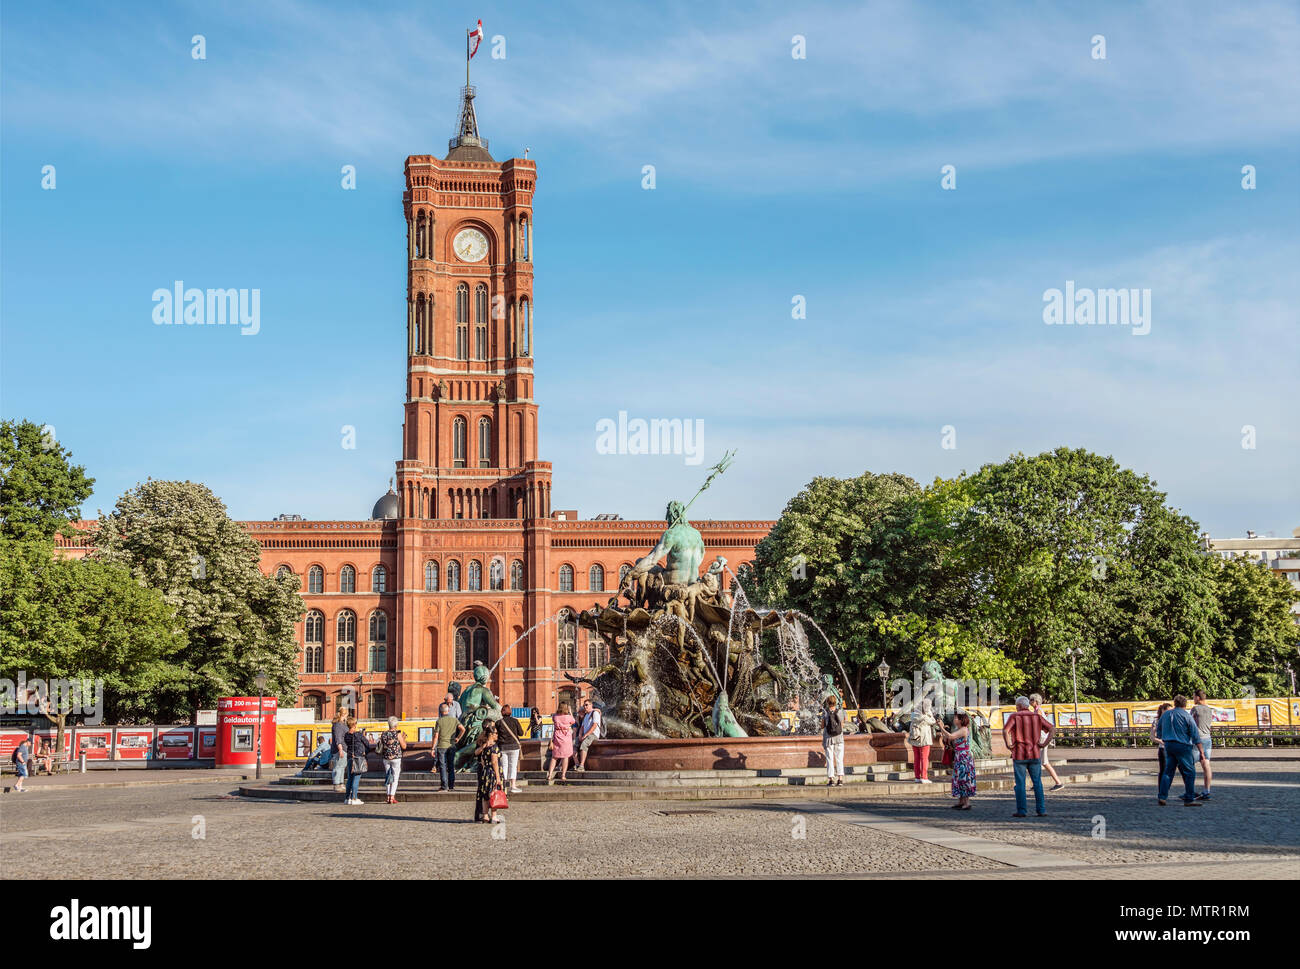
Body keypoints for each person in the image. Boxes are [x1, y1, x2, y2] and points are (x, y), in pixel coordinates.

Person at [1003, 695, 1054, 817]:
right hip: (1034, 753)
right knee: (1037, 783)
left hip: (1019, 754)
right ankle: (1041, 810)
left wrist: (1008, 745)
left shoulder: (1014, 716)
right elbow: (1052, 729)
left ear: (1020, 706)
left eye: (1016, 706)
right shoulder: (1037, 717)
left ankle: (1022, 810)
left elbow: (1005, 730)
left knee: (1020, 784)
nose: (1016, 708)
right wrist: (1044, 743)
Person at [1154, 696, 1205, 807]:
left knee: (1168, 772)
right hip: (1183, 746)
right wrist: (1201, 751)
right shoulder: (1186, 715)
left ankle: (1162, 797)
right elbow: (1195, 734)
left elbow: (1158, 730)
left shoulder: (1166, 715)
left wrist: (1165, 738)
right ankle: (1189, 799)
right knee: (1190, 772)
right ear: (1185, 705)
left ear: (1175, 703)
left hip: (1168, 746)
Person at [1029, 694, 1065, 792]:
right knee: (1037, 761)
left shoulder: (1038, 711)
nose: (1030, 701)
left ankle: (1058, 783)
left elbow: (1039, 724)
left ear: (1036, 701)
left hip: (1042, 738)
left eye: (1031, 700)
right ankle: (1037, 783)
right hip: (1041, 737)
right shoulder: (1037, 710)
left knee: (1043, 762)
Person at [940, 712, 976, 809]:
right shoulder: (959, 729)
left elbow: (951, 737)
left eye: (956, 718)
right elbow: (950, 739)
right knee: (959, 778)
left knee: (964, 779)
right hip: (959, 756)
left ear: (961, 720)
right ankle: (961, 801)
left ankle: (966, 802)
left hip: (964, 757)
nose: (954, 719)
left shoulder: (964, 730)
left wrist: (941, 728)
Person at [473, 721, 504, 823]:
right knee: (494, 793)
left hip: (485, 772)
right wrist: (498, 778)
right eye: (496, 733)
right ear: (491, 734)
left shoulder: (485, 746)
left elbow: (480, 758)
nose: (497, 735)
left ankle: (486, 815)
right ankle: (494, 816)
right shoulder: (494, 747)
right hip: (492, 773)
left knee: (485, 795)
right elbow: (495, 762)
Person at [431, 702, 466, 792]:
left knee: (442, 766)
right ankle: (451, 786)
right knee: (451, 766)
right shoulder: (454, 720)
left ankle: (444, 786)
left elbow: (436, 736)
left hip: (441, 746)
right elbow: (463, 729)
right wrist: (458, 738)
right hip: (452, 745)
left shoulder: (439, 721)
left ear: (440, 711)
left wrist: (432, 748)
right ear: (448, 710)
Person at [342, 717, 374, 805]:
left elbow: (347, 743)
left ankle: (347, 798)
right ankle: (354, 798)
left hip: (349, 757)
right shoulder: (358, 734)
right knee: (356, 778)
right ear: (354, 724)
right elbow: (367, 744)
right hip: (358, 757)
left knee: (349, 778)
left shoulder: (346, 735)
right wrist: (365, 751)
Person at [1191, 690, 1214, 801]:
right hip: (1207, 739)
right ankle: (1207, 790)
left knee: (1190, 765)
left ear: (1198, 698)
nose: (1193, 699)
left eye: (1194, 697)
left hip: (1197, 740)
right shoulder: (1209, 710)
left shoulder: (1195, 709)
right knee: (1206, 765)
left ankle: (1190, 791)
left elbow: (1190, 723)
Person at [496, 705, 525, 793]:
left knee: (504, 766)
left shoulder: (498, 723)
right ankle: (513, 786)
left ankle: (503, 786)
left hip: (503, 747)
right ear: (510, 712)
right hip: (514, 747)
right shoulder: (515, 721)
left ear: (502, 712)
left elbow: (496, 735)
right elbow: (521, 733)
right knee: (513, 766)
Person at [908, 698, 937, 784]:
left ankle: (917, 777)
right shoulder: (925, 716)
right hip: (924, 739)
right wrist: (929, 713)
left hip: (915, 738)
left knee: (916, 758)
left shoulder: (913, 715)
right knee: (924, 758)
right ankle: (924, 777)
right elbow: (933, 721)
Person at [378, 716, 407, 804]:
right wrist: (403, 738)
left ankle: (387, 796)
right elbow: (404, 746)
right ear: (396, 725)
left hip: (386, 757)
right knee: (395, 777)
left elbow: (382, 745)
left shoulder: (384, 734)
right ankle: (392, 797)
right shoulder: (397, 734)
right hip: (396, 757)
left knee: (388, 776)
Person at [547, 701, 575, 784]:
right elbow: (573, 721)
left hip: (557, 737)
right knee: (565, 757)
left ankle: (549, 775)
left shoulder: (555, 717)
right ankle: (563, 775)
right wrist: (570, 712)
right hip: (566, 737)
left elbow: (553, 720)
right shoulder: (568, 716)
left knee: (554, 756)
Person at [821, 695, 845, 786]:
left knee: (829, 758)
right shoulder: (841, 712)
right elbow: (842, 725)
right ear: (836, 702)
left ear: (827, 702)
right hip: (839, 738)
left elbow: (822, 726)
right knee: (839, 758)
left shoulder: (825, 712)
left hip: (828, 738)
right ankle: (840, 779)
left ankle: (831, 779)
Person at [574, 698, 603, 772]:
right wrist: (580, 735)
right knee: (573, 744)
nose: (585, 707)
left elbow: (594, 725)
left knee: (584, 744)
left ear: (591, 705)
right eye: (584, 705)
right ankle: (576, 764)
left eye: (586, 705)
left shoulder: (595, 713)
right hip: (585, 734)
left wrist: (586, 735)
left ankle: (581, 766)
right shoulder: (586, 715)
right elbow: (582, 727)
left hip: (593, 735)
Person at [1149, 702, 1172, 780]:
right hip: (1163, 748)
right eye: (1168, 710)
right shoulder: (1157, 721)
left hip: (1172, 748)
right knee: (1163, 770)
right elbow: (1152, 736)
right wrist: (1160, 741)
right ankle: (1161, 790)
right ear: (1163, 710)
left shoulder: (1172, 719)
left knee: (1172, 770)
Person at [329, 709, 349, 793]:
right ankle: (337, 784)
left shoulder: (342, 724)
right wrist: (340, 749)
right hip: (340, 749)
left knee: (342, 767)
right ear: (344, 714)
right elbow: (338, 738)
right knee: (338, 767)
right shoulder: (338, 725)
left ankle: (341, 783)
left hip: (344, 748)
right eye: (346, 714)